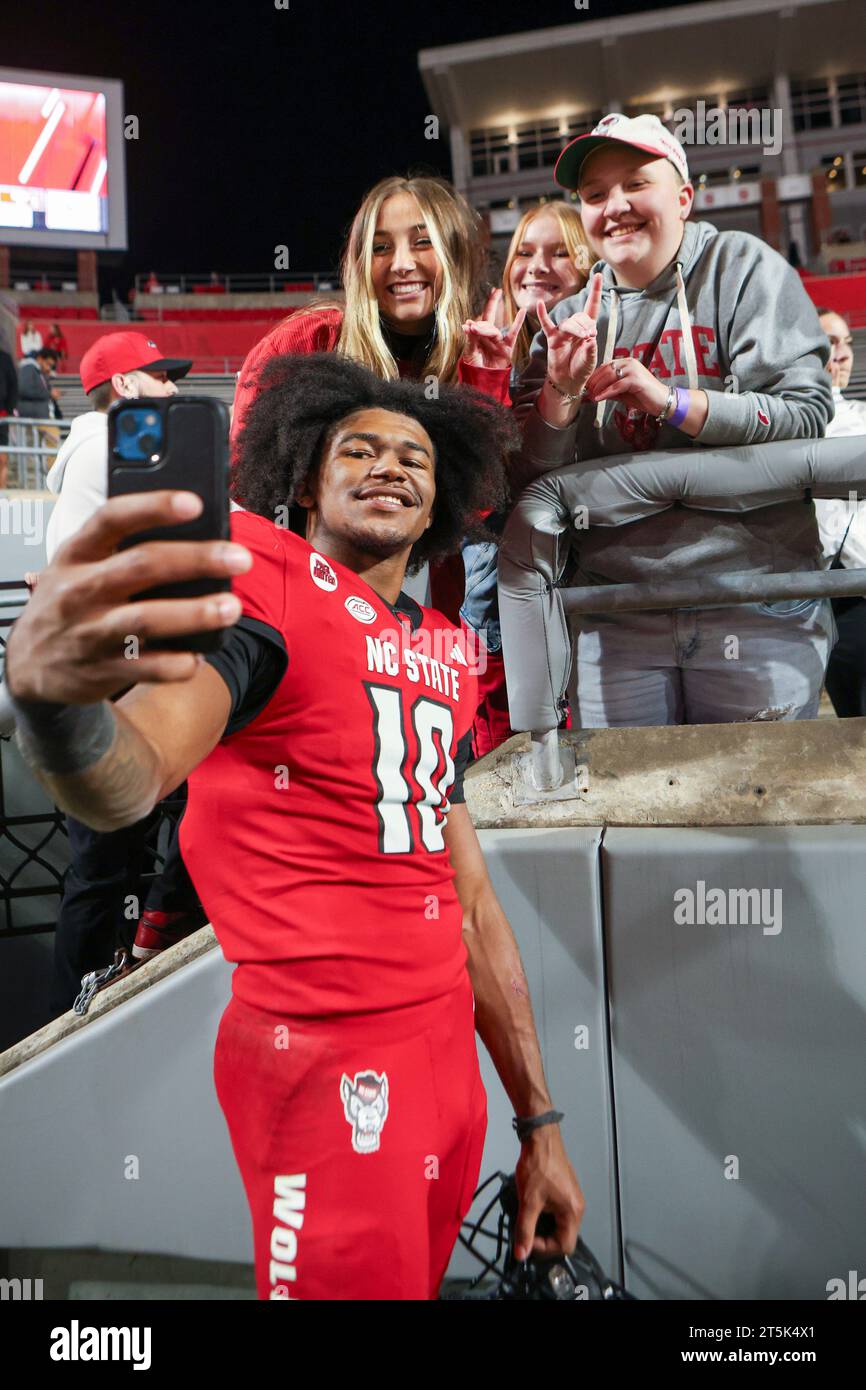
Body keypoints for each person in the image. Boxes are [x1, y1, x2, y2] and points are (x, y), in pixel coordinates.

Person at [5, 352, 584, 1300]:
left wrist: (540, 1120)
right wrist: (55, 707)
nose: (389, 464)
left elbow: (472, 902)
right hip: (325, 1064)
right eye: (357, 450)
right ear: (304, 479)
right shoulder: (267, 600)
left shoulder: (440, 646)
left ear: (441, 504)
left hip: (448, 1063)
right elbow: (133, 774)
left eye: (415, 456)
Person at [512, 112, 835, 728]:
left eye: (636, 184)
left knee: (753, 810)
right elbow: (531, 476)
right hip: (616, 608)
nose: (616, 206)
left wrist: (671, 402)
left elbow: (806, 412)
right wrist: (560, 391)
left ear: (684, 198)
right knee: (631, 814)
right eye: (596, 194)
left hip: (751, 597)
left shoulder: (744, 267)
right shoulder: (569, 318)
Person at [231, 172, 523, 667]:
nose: (402, 264)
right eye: (382, 246)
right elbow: (250, 487)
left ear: (453, 254)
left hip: (423, 625)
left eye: (422, 242)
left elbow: (468, 513)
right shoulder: (306, 342)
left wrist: (484, 380)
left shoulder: (474, 355)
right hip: (303, 612)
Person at [42, 331, 203, 1013]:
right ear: (128, 386)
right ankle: (113, 979)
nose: (173, 388)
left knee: (111, 859)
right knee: (118, 855)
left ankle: (109, 981)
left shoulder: (101, 446)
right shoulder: (119, 440)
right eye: (161, 376)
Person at [462, 201, 590, 756]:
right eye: (524, 253)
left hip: (579, 597)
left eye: (560, 252)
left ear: (590, 269)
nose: (536, 267)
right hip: (492, 606)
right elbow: (481, 490)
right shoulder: (486, 348)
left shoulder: (609, 351)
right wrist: (482, 377)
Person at [812, 308, 866, 717]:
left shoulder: (859, 418)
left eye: (846, 342)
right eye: (831, 342)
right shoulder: (786, 422)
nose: (844, 354)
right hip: (825, 597)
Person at [0, 344, 18, 490]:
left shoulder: (5, 358)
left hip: (2, 416)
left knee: (2, 459)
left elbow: (13, 385)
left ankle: (1, 493)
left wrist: (9, 410)